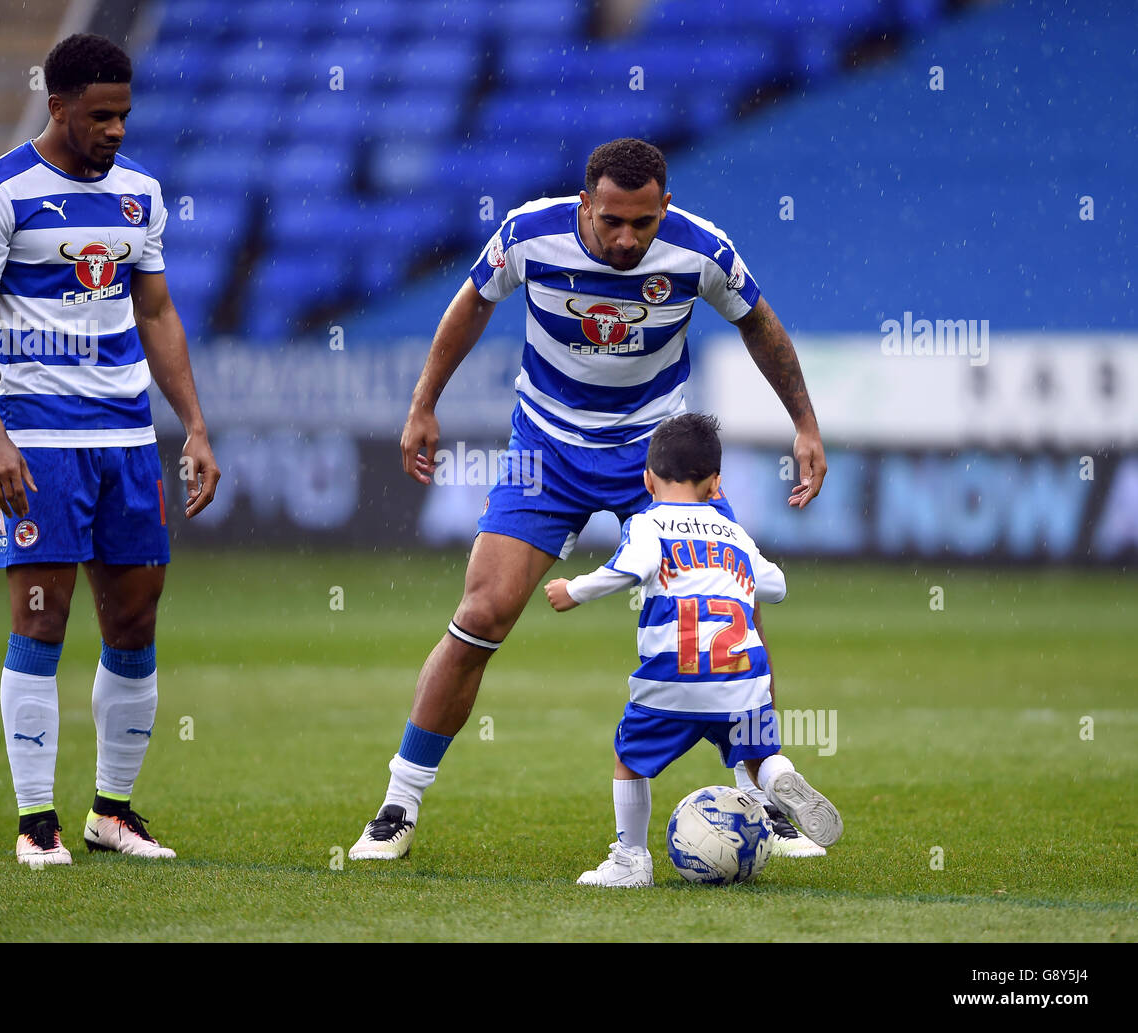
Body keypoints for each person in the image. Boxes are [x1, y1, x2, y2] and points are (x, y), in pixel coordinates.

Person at [350, 138, 827, 860]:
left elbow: (759, 324)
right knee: (482, 613)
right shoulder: (527, 234)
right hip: (546, 450)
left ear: (664, 206)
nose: (627, 238)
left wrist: (805, 424)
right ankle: (399, 802)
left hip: (655, 453)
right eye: (612, 221)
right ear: (585, 205)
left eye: (643, 222)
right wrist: (424, 405)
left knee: (733, 606)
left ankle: (762, 789)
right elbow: (469, 307)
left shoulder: (703, 251)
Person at [0, 34, 220, 867]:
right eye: (100, 116)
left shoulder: (140, 194)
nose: (115, 131)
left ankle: (111, 811)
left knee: (134, 618)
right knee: (42, 616)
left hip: (128, 438)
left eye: (124, 115)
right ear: (57, 106)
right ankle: (36, 822)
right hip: (38, 437)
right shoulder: (0, 193)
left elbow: (159, 314)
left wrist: (196, 426)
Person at [544, 413, 842, 886]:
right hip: (743, 683)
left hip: (675, 682)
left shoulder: (648, 522)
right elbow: (777, 586)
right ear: (715, 483)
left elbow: (628, 569)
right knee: (758, 755)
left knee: (629, 760)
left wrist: (574, 590)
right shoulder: (734, 533)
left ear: (647, 479)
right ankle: (777, 779)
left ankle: (630, 861)